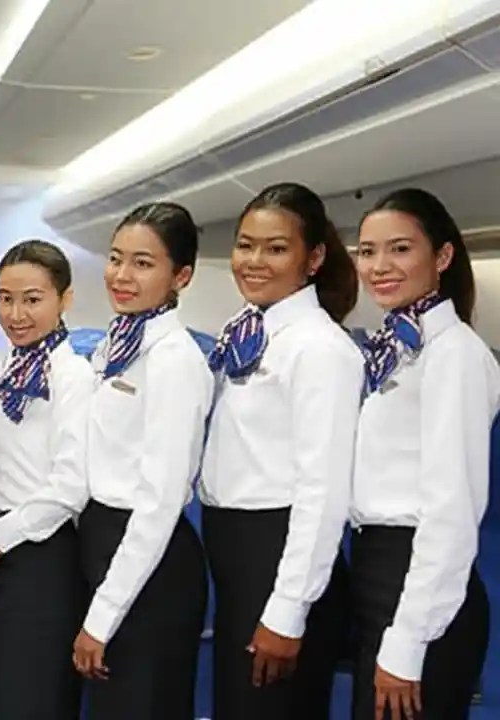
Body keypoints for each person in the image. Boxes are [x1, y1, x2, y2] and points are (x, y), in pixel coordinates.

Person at [201, 182, 363, 719]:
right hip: (234, 552)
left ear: (313, 257)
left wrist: (288, 611)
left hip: (277, 554)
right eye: (245, 245)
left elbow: (322, 492)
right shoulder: (244, 331)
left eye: (276, 248)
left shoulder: (321, 350)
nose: (253, 261)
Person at [349, 188, 495, 720]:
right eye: (367, 251)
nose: (379, 266)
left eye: (400, 249)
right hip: (380, 571)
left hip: (417, 582)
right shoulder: (401, 347)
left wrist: (408, 640)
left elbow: (451, 511)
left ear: (443, 256)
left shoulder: (454, 355)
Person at [0, 239, 94, 720]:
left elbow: (70, 485)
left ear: (64, 299)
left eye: (32, 299)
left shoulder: (75, 377)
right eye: (5, 298)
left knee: (28, 696)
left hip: (38, 555)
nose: (16, 313)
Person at [72, 203, 212, 718]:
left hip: (148, 568)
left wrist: (101, 618)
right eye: (115, 258)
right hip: (105, 544)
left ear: (182, 275)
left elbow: (159, 502)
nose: (121, 276)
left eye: (143, 263)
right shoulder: (116, 344)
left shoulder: (175, 360)